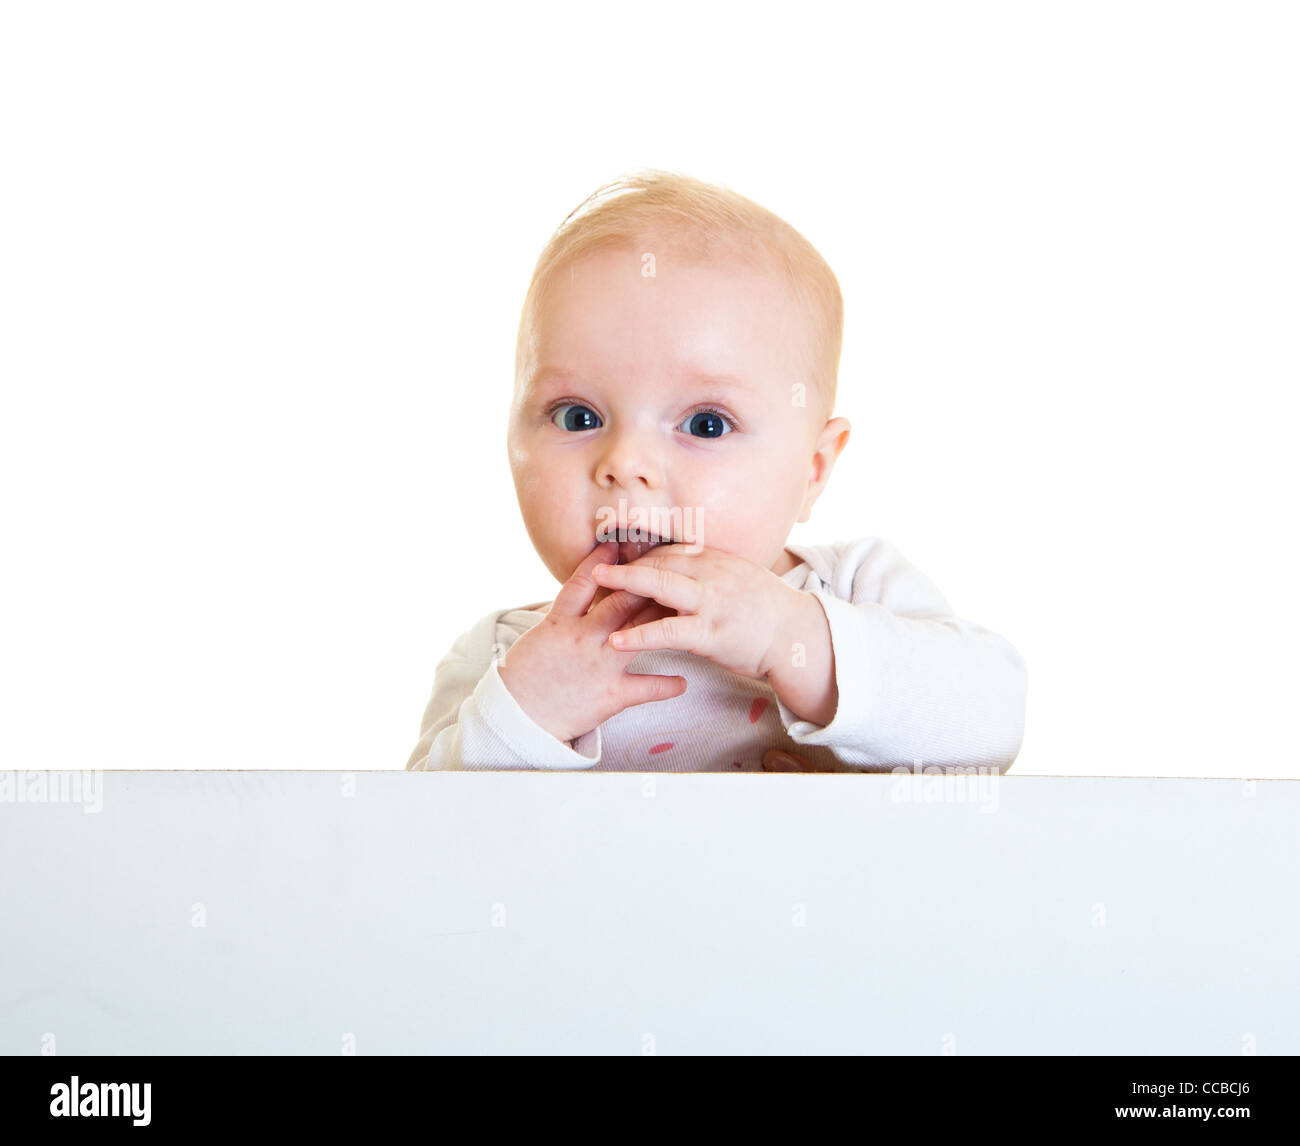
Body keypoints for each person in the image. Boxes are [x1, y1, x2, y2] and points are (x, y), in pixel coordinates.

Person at [406, 170, 1026, 773]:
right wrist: (521, 717)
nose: (625, 465)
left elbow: (992, 727)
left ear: (812, 470)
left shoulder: (852, 593)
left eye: (705, 424)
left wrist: (794, 641)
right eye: (577, 416)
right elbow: (411, 853)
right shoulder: (500, 658)